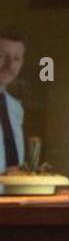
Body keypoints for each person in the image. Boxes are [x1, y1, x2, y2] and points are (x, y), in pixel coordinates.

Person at [0, 29, 26, 169]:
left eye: (16, 59)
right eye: (1, 56)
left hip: (14, 190)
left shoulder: (16, 108)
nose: (10, 66)